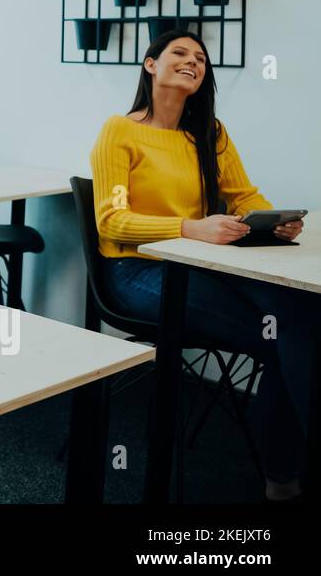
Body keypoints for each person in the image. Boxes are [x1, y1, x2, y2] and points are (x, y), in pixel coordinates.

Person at [90, 29, 314, 502]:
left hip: (205, 263)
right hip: (138, 272)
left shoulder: (210, 133)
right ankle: (283, 478)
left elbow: (245, 195)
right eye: (179, 52)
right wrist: (189, 228)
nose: (193, 61)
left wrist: (272, 221)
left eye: (201, 58)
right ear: (151, 64)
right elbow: (112, 222)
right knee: (284, 336)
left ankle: (283, 475)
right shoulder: (119, 130)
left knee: (300, 312)